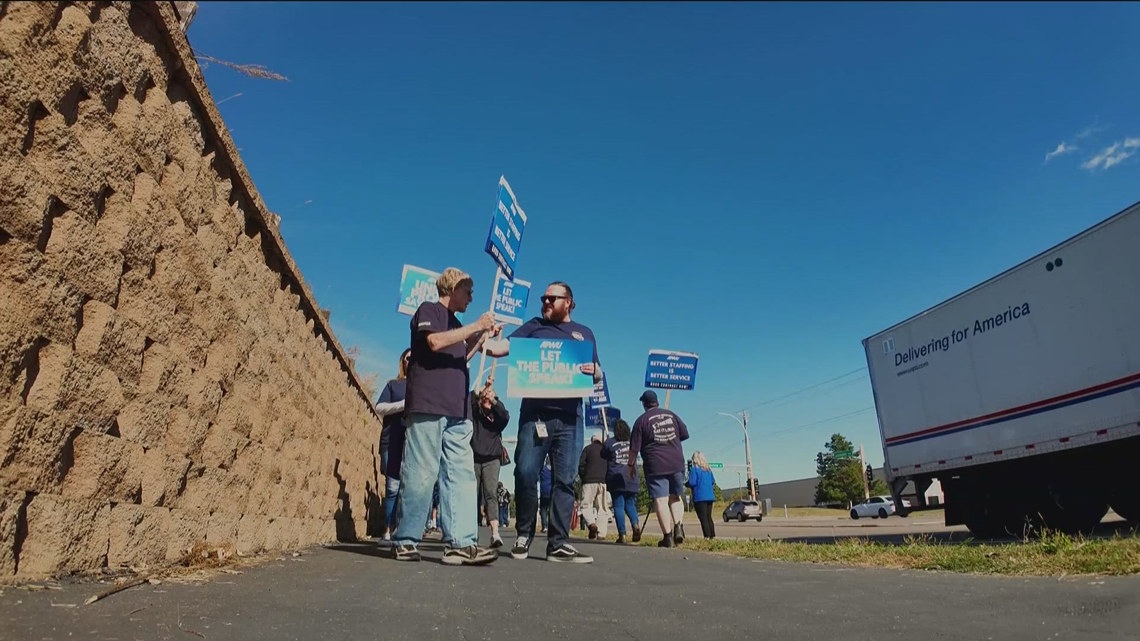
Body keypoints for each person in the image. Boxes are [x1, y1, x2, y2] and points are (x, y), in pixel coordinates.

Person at [484, 281, 602, 563]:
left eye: (552, 298)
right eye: (544, 298)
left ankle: (558, 543)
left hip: (570, 420)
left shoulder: (584, 333)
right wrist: (478, 335)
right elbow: (499, 350)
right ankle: (524, 533)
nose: (546, 302)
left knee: (564, 481)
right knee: (525, 472)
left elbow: (598, 374)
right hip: (535, 416)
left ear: (569, 302)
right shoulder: (533, 327)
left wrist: (595, 371)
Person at [391, 267, 501, 565]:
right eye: (468, 291)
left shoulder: (457, 324)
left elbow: (461, 356)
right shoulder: (428, 311)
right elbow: (435, 343)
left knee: (461, 475)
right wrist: (476, 324)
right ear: (452, 289)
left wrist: (480, 334)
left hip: (458, 409)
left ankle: (461, 543)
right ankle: (406, 539)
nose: (471, 297)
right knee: (421, 472)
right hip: (429, 404)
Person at [628, 390, 690, 548]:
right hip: (676, 461)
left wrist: (630, 466)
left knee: (661, 500)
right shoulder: (672, 415)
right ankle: (678, 526)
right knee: (676, 497)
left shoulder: (641, 421)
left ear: (644, 404)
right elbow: (684, 434)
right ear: (657, 402)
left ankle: (668, 537)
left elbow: (634, 449)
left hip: (656, 465)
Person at [375, 349, 411, 542]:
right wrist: (403, 405)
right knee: (392, 488)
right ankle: (388, 529)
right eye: (408, 358)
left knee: (409, 489)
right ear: (402, 362)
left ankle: (403, 529)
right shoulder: (393, 385)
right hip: (391, 441)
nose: (411, 361)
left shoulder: (422, 387)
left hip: (413, 444)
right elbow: (379, 407)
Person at [470, 378, 510, 547]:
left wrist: (493, 398)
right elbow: (470, 400)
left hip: (492, 459)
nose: (487, 401)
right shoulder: (475, 413)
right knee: (471, 495)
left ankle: (495, 533)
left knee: (490, 494)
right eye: (484, 398)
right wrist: (483, 388)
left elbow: (505, 414)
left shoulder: (497, 419)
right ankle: (470, 535)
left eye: (490, 399)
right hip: (474, 457)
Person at [602, 419, 641, 544]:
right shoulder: (632, 443)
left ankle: (622, 534)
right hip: (632, 477)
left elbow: (603, 455)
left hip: (616, 478)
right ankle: (635, 524)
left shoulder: (610, 443)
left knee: (618, 505)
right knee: (630, 504)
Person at [578, 434, 609, 540]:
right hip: (603, 481)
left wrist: (584, 476)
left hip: (588, 481)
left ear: (592, 440)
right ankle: (602, 533)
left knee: (586, 506)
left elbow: (581, 465)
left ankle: (591, 524)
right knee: (602, 508)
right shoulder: (606, 451)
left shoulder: (587, 449)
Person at [686, 451, 717, 540]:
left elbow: (692, 482)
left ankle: (706, 536)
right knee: (709, 517)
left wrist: (686, 484)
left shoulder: (694, 470)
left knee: (703, 518)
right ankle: (712, 535)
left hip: (700, 497)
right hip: (710, 497)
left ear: (695, 460)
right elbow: (712, 481)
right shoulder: (708, 470)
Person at [538, 455, 552, 534]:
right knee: (551, 510)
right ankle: (551, 526)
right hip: (552, 492)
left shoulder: (543, 470)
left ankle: (545, 526)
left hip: (544, 492)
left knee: (543, 509)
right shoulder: (554, 471)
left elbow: (538, 478)